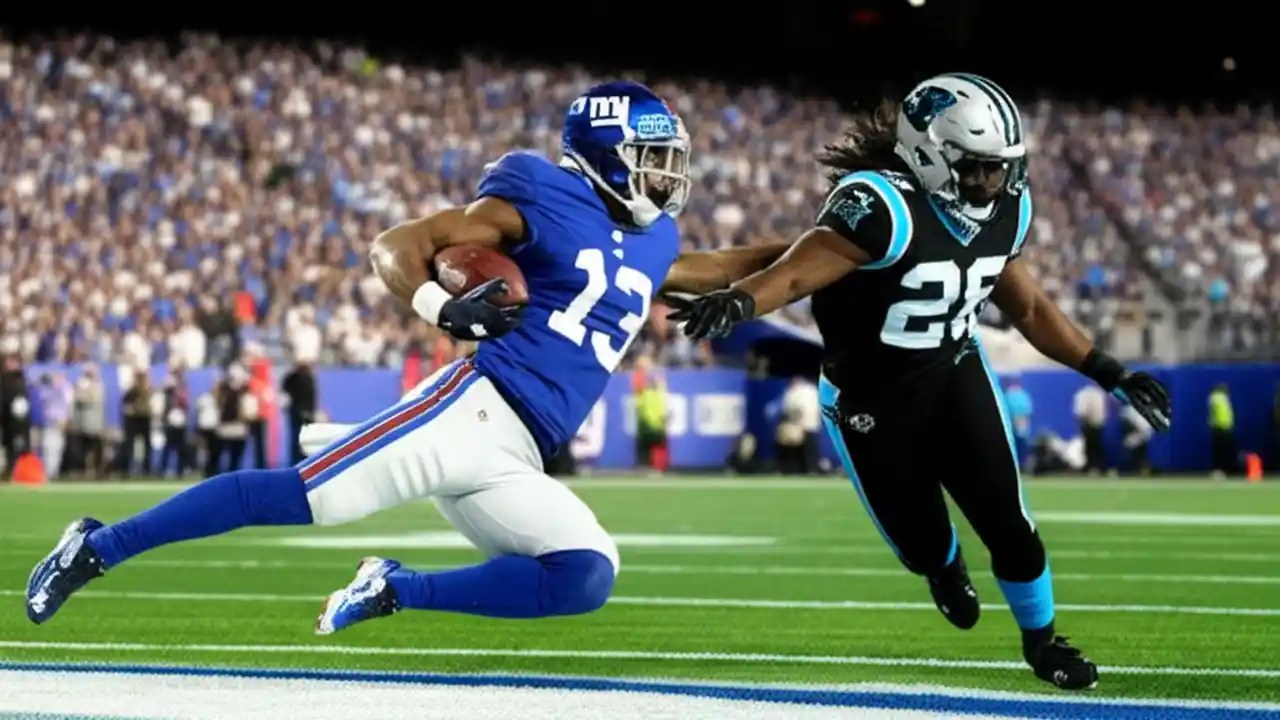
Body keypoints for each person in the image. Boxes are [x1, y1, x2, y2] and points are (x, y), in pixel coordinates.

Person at [26, 80, 787, 633]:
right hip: (473, 410)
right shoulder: (538, 192)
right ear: (604, 155)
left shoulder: (655, 241)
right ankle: (96, 546)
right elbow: (395, 245)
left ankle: (395, 588)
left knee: (585, 573)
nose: (666, 173)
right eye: (650, 156)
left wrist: (825, 248)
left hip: (520, 453)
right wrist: (440, 305)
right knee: (300, 498)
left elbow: (719, 270)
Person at [665, 73, 1172, 691]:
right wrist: (740, 302)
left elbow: (1030, 308)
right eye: (977, 167)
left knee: (1010, 524)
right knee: (923, 544)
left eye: (1000, 167)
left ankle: (1043, 643)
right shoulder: (879, 204)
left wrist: (1109, 371)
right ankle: (943, 566)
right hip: (869, 400)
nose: (992, 183)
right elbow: (795, 275)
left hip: (954, 374)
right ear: (930, 152)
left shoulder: (1006, 206)